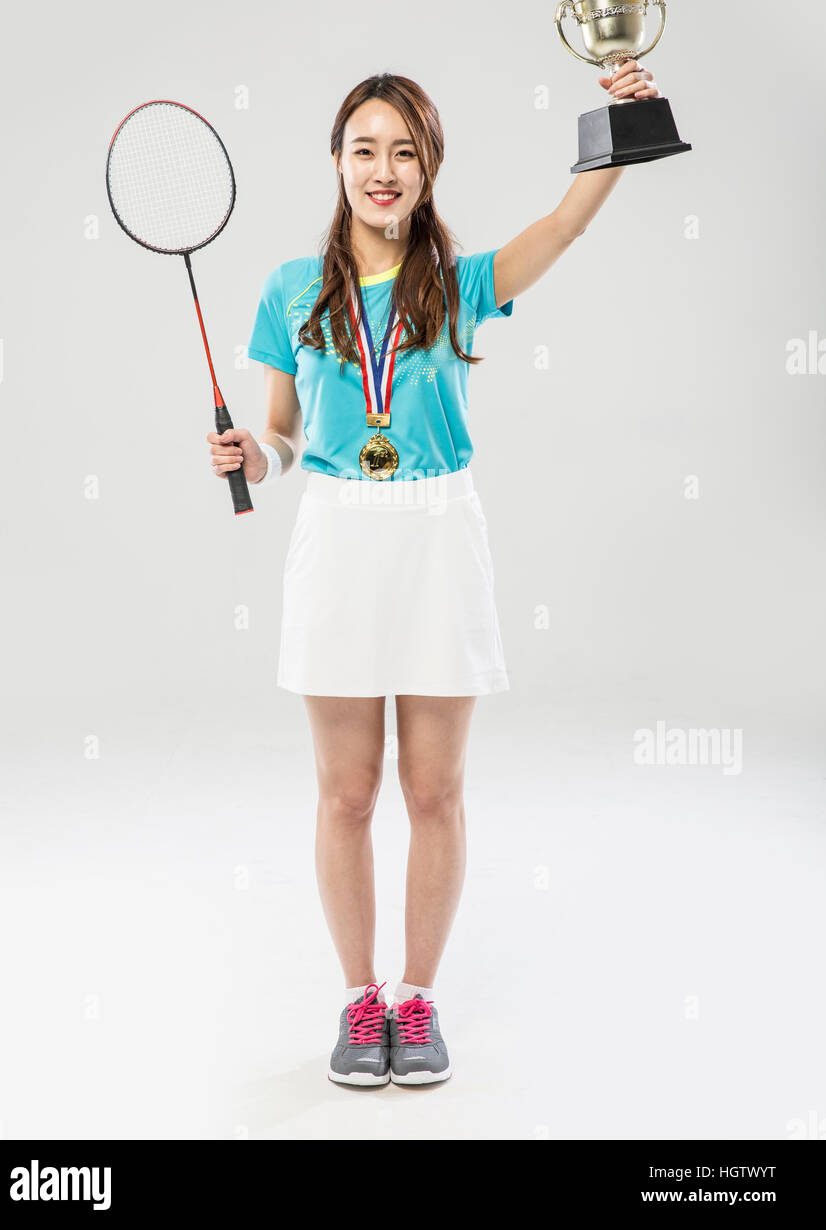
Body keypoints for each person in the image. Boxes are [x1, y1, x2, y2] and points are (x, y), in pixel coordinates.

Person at [207, 62, 659, 1086]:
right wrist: (251, 453)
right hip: (336, 534)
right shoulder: (290, 288)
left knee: (434, 789)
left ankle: (415, 999)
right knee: (346, 795)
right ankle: (359, 1001)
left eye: (402, 150)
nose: (381, 168)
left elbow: (564, 225)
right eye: (363, 148)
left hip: (437, 533)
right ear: (335, 162)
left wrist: (625, 125)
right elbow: (281, 439)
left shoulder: (456, 284)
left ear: (427, 168)